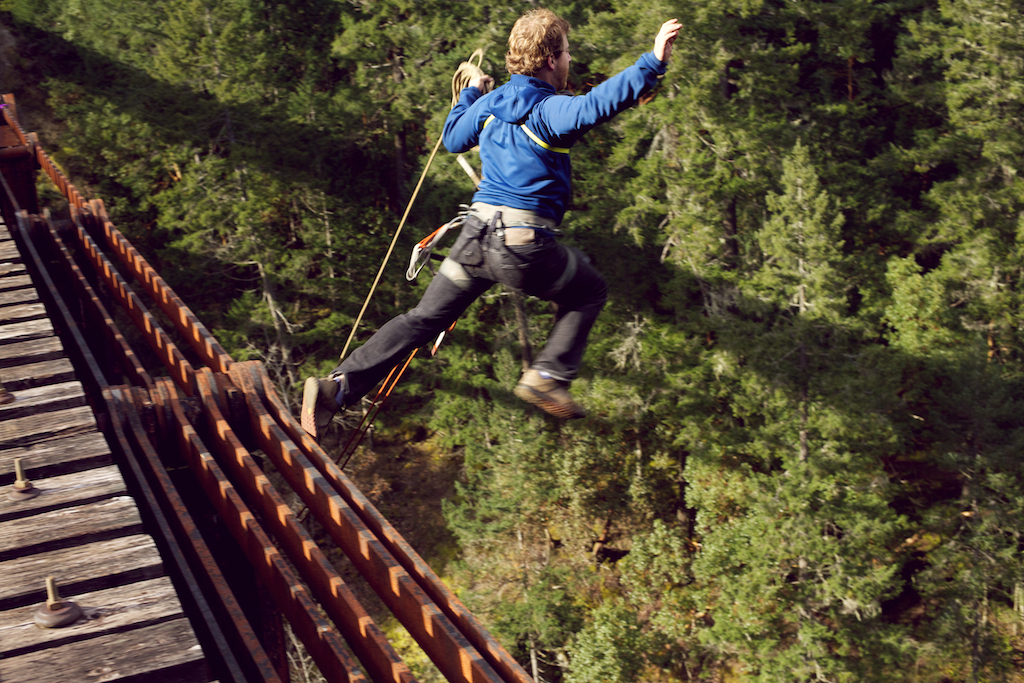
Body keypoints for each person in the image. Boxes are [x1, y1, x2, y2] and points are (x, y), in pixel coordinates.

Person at [302, 9, 681, 438]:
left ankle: (337, 388)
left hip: (474, 240)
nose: (570, 60)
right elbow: (598, 105)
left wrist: (470, 95)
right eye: (568, 53)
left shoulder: (490, 105)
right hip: (523, 246)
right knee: (589, 289)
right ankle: (547, 376)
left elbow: (452, 138)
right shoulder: (549, 112)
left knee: (422, 318)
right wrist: (652, 61)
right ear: (551, 59)